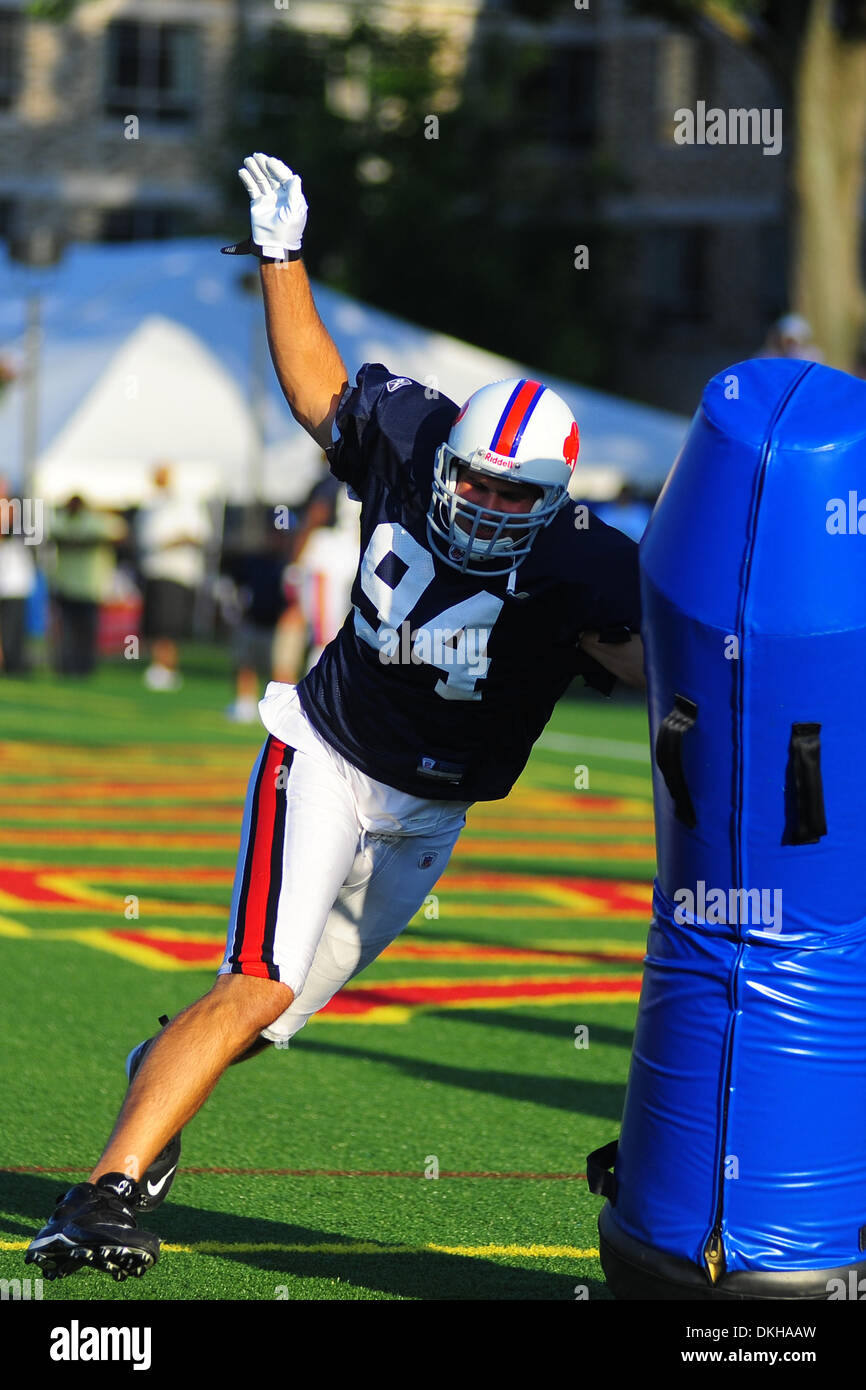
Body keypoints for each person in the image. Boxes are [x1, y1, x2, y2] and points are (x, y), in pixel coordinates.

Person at [25, 154, 646, 1282]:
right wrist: (282, 258)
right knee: (255, 978)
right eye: (475, 478)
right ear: (449, 452)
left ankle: (159, 1069)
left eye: (514, 493)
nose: (482, 502)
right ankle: (99, 1197)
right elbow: (316, 388)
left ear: (554, 499)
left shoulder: (586, 568)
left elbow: (667, 663)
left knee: (265, 1020)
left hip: (431, 814)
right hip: (325, 752)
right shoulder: (413, 437)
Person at [136, 463, 213, 691]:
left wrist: (171, 541)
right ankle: (158, 666)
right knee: (155, 622)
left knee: (169, 623)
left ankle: (167, 667)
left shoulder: (185, 503)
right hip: (155, 570)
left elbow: (198, 535)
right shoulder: (151, 504)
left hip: (177, 572)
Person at [49, 495, 127, 676]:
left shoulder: (93, 522)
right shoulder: (63, 522)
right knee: (68, 631)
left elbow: (119, 531)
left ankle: (84, 667)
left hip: (88, 586)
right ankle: (69, 666)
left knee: (85, 631)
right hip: (68, 584)